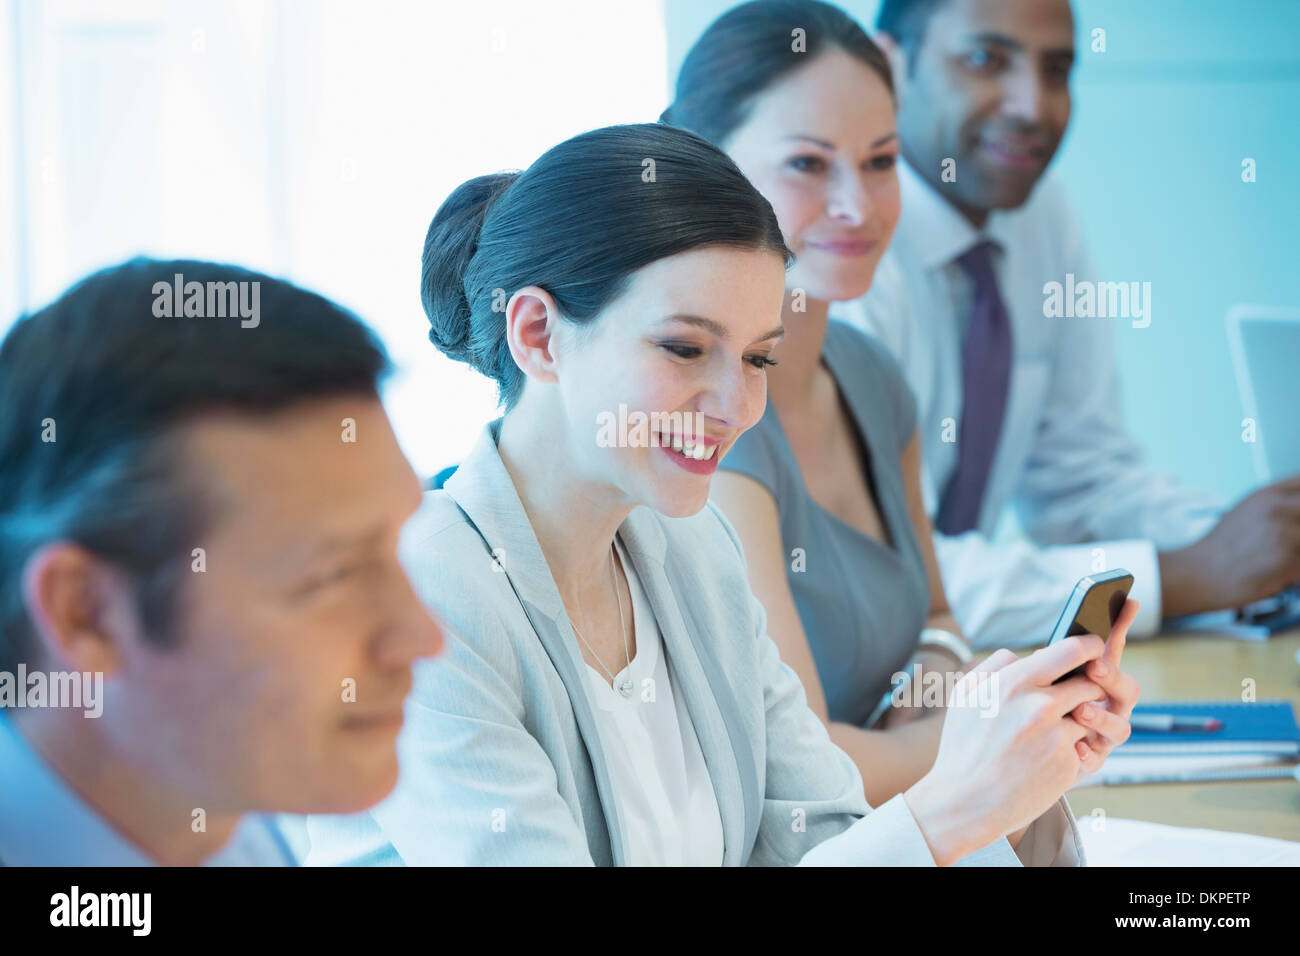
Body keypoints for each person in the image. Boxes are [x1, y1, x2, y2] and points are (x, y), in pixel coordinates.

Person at [305, 122, 1139, 867]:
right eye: (683, 348)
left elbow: (821, 840)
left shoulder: (694, 552)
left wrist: (1012, 788)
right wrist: (949, 807)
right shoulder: (425, 596)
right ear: (538, 334)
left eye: (757, 359)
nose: (736, 406)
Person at [834, 0, 1300, 647]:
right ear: (889, 66)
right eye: (984, 60)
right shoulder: (841, 249)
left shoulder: (1038, 213)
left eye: (1057, 69)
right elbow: (890, 577)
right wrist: (1184, 574)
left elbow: (1083, 484)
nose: (1032, 105)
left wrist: (1262, 542)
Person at [0, 258, 445, 865]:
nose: (422, 639)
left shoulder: (220, 818)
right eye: (333, 575)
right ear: (88, 613)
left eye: (395, 549)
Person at [664, 0, 993, 804]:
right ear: (710, 165)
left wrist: (935, 685)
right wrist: (981, 729)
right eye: (809, 165)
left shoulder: (873, 376)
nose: (859, 206)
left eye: (881, 161)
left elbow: (940, 618)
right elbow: (807, 773)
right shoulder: (710, 421)